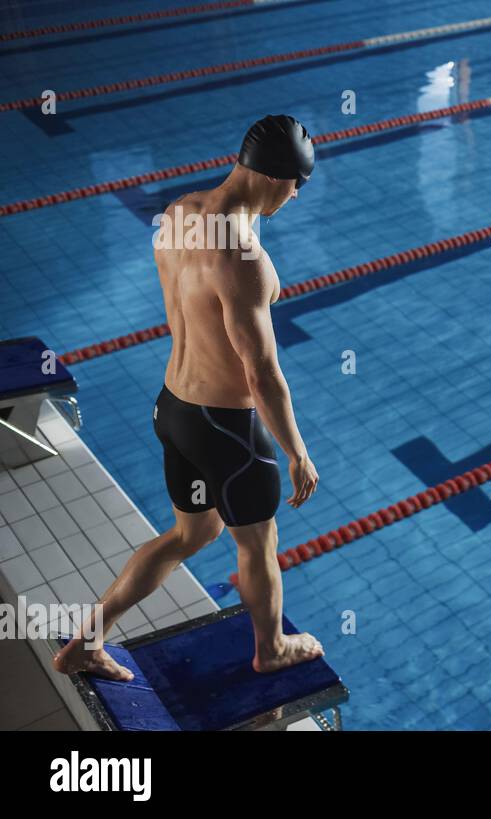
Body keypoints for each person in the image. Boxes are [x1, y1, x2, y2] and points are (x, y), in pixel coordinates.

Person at [54, 115, 323, 680]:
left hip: (174, 409)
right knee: (258, 543)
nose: (297, 196)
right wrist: (295, 451)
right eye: (298, 184)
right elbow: (262, 372)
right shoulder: (244, 260)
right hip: (226, 429)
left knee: (191, 533)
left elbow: (191, 297)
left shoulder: (179, 213)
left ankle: (86, 642)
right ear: (275, 178)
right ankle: (271, 648)